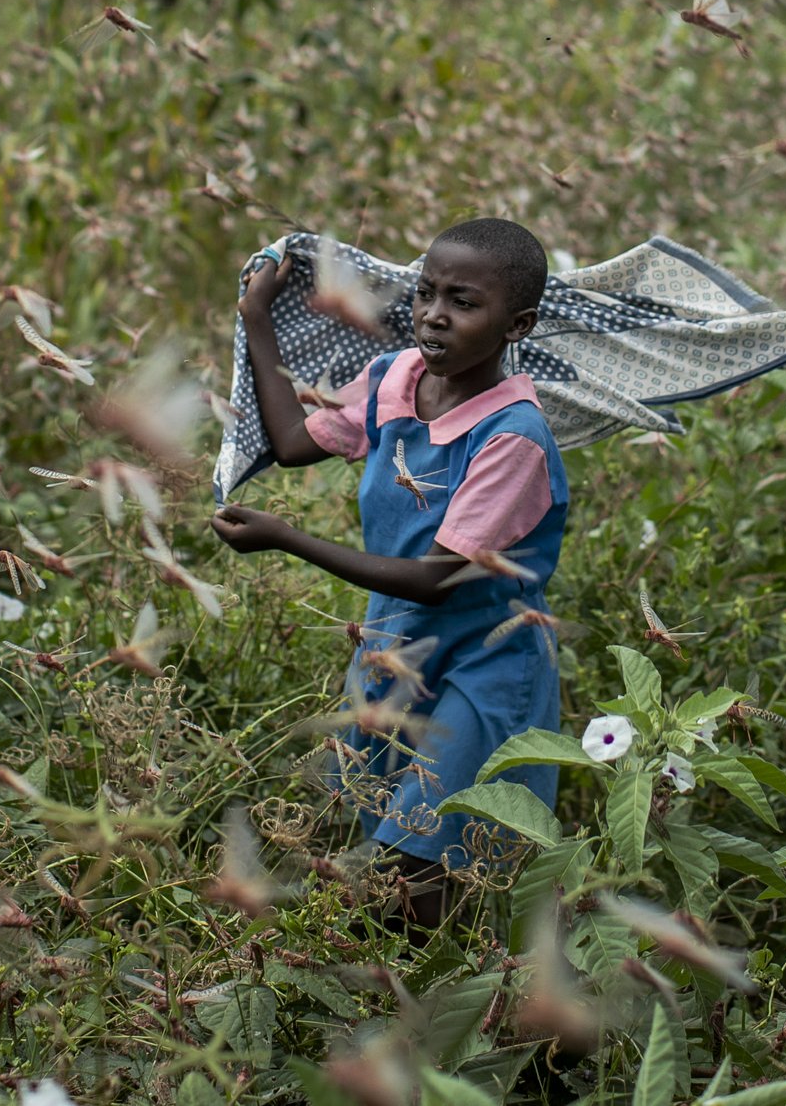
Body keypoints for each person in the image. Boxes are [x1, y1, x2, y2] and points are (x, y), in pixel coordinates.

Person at [210, 217, 568, 930]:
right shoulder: (394, 380)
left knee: (423, 864)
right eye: (427, 292)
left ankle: (437, 1009)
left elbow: (436, 577)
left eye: (464, 302)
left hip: (483, 664)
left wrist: (289, 538)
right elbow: (289, 440)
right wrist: (257, 318)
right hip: (394, 651)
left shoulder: (513, 438)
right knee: (361, 827)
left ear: (516, 325)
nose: (435, 313)